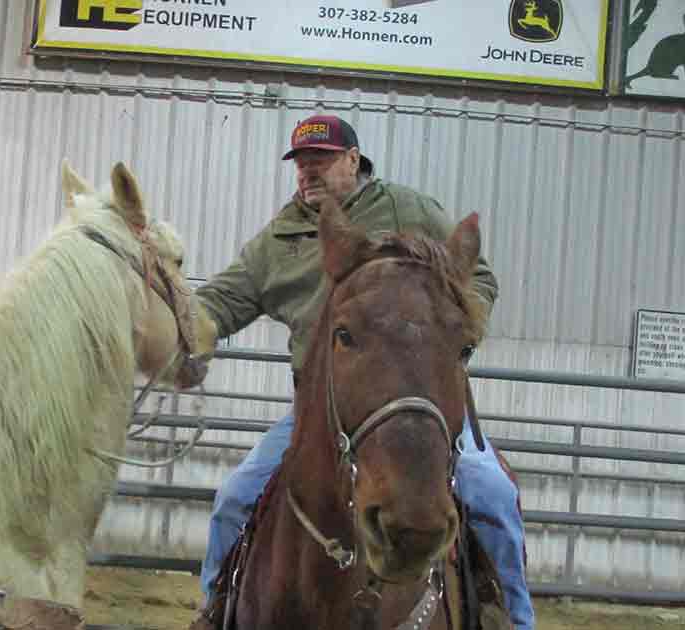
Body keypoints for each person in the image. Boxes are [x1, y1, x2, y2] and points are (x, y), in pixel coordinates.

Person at [188, 114, 534, 630]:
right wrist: (177, 326)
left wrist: (451, 331)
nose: (309, 172)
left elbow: (477, 276)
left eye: (322, 160)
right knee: (235, 498)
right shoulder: (279, 240)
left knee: (492, 495)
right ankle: (215, 610)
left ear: (353, 160)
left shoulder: (408, 209)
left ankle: (510, 616)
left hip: (417, 399)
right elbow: (222, 300)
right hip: (321, 412)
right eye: (302, 163)